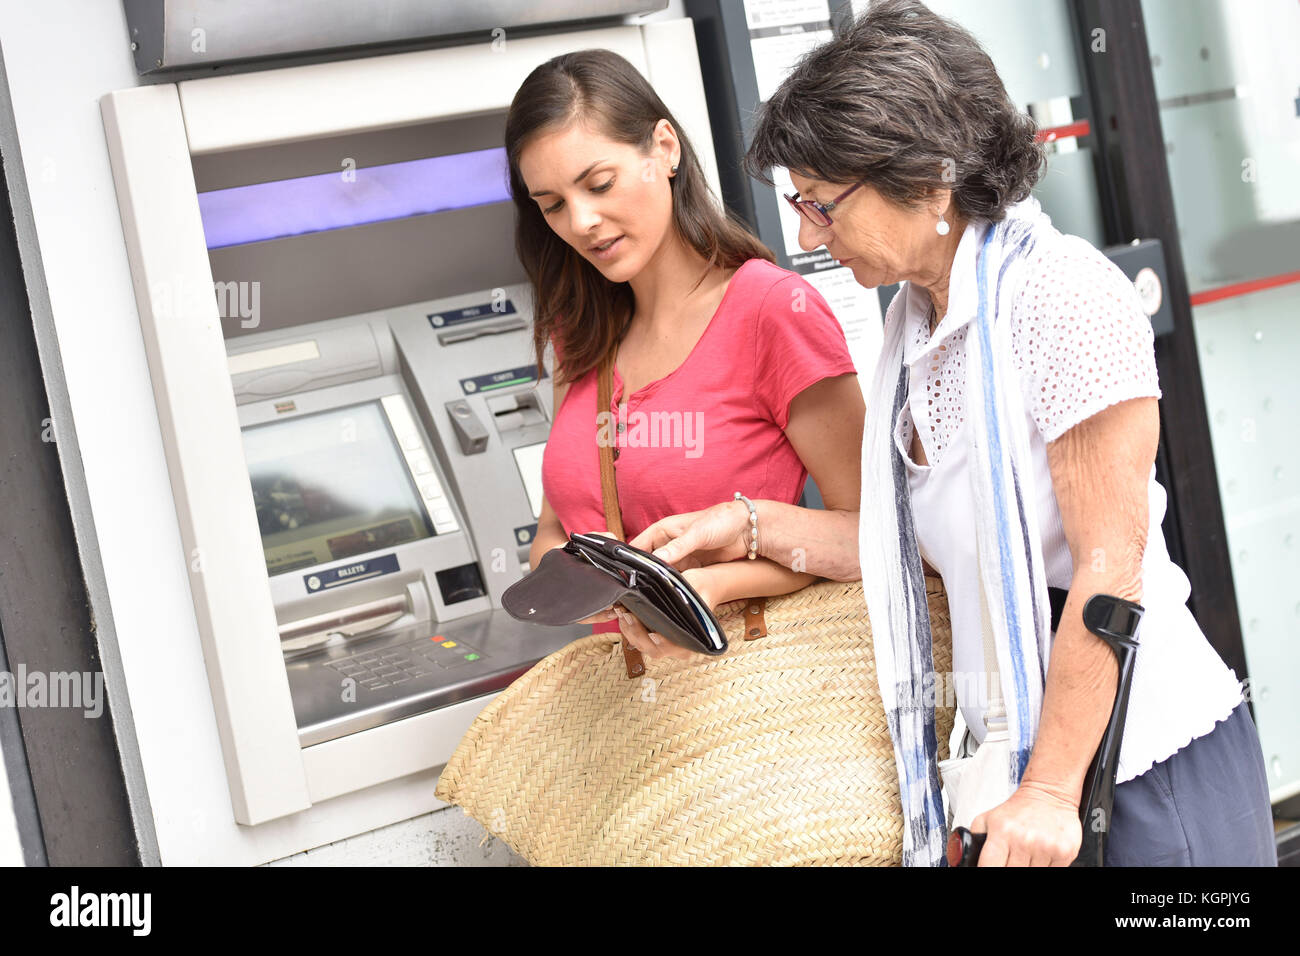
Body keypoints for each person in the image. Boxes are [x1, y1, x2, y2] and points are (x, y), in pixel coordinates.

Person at [630, 0, 1276, 867]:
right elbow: (924, 546)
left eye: (821, 205)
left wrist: (1048, 789)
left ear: (931, 182)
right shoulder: (918, 328)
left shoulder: (1059, 298)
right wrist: (746, 528)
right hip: (1020, 759)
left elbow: (1110, 570)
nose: (802, 235)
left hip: (1136, 764)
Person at [508, 49, 865, 656]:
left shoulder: (772, 309)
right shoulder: (579, 327)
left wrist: (709, 590)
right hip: (619, 711)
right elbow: (554, 531)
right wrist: (585, 594)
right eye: (552, 205)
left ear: (664, 149)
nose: (583, 222)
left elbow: (867, 536)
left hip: (746, 692)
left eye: (599, 184)